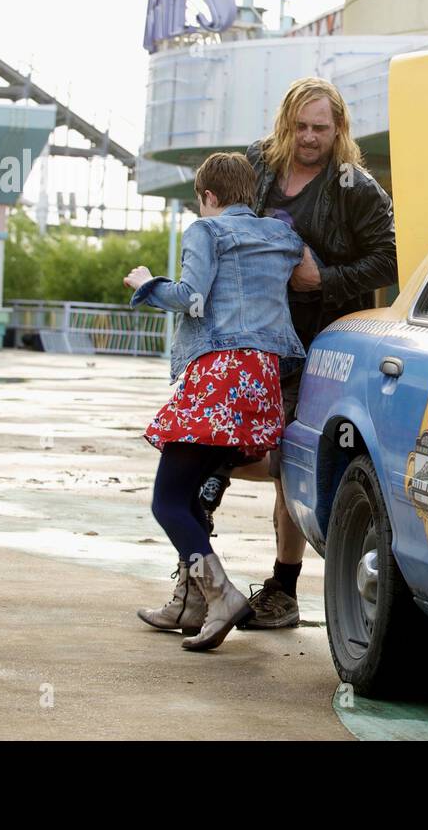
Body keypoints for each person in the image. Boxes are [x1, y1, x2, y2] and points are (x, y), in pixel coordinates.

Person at [198, 76, 397, 629]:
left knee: (287, 457)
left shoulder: (354, 186)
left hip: (318, 343)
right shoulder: (257, 167)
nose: (310, 138)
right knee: (203, 442)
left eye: (321, 128)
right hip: (248, 332)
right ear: (285, 123)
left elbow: (392, 259)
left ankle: (282, 590)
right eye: (301, 126)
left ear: (339, 130)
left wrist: (324, 280)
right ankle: (197, 583)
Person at [127, 152, 306, 651]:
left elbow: (191, 297)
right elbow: (302, 279)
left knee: (167, 502)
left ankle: (221, 593)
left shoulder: (205, 231)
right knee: (189, 491)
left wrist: (146, 285)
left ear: (207, 195)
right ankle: (191, 602)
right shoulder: (283, 237)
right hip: (261, 379)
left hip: (219, 376)